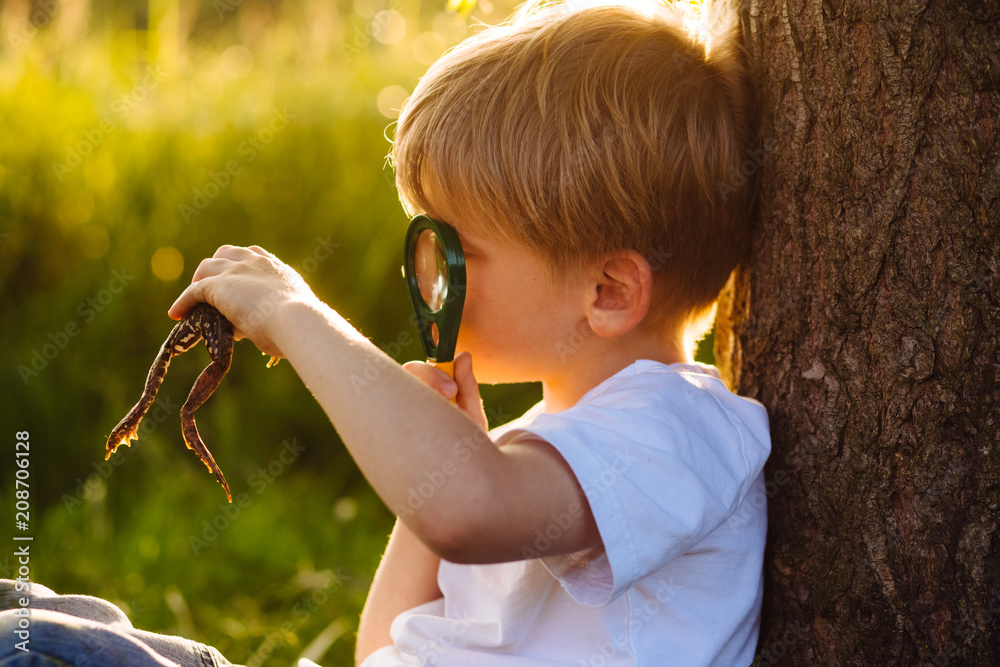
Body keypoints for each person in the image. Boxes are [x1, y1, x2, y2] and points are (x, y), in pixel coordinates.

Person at [1, 1, 769, 665]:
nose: (429, 281)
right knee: (31, 611)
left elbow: (467, 509)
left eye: (456, 252)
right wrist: (443, 464)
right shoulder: (538, 454)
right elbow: (385, 648)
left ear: (607, 292)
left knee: (36, 648)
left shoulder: (682, 428)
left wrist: (297, 316)